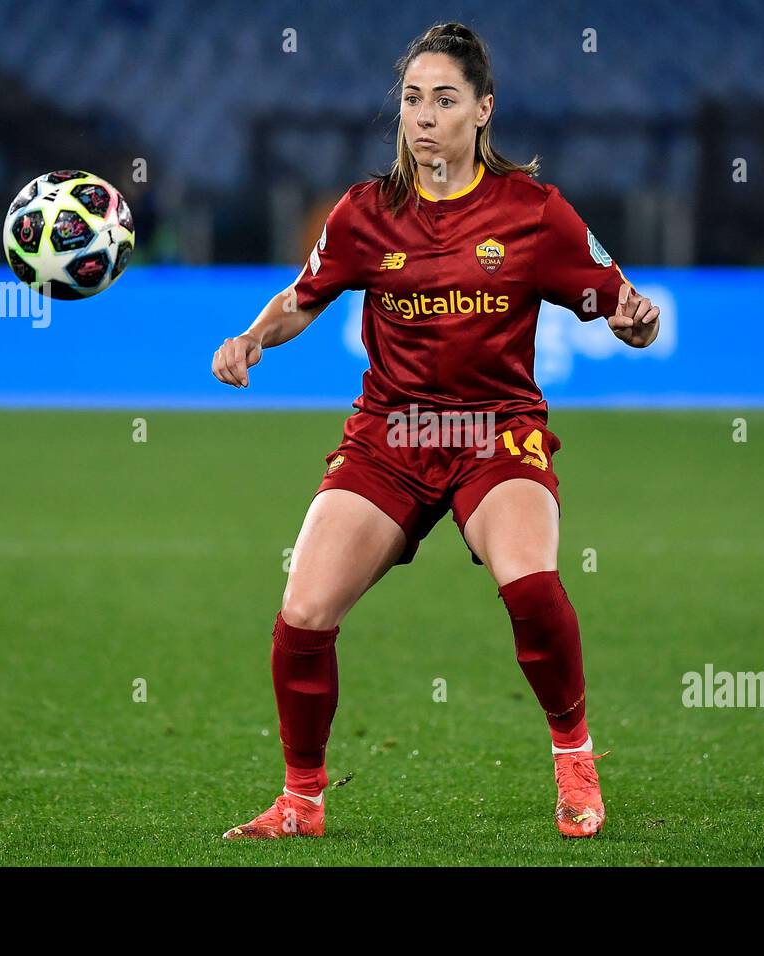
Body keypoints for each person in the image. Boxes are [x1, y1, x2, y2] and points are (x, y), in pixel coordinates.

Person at [212, 21, 660, 840]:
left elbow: (625, 313)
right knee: (304, 612)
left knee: (530, 581)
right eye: (413, 98)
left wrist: (635, 321)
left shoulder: (534, 213)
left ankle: (575, 756)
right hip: (390, 436)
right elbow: (302, 300)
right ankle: (302, 803)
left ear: (483, 110)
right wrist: (251, 338)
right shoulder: (364, 214)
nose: (423, 115)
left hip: (497, 432)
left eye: (444, 98)